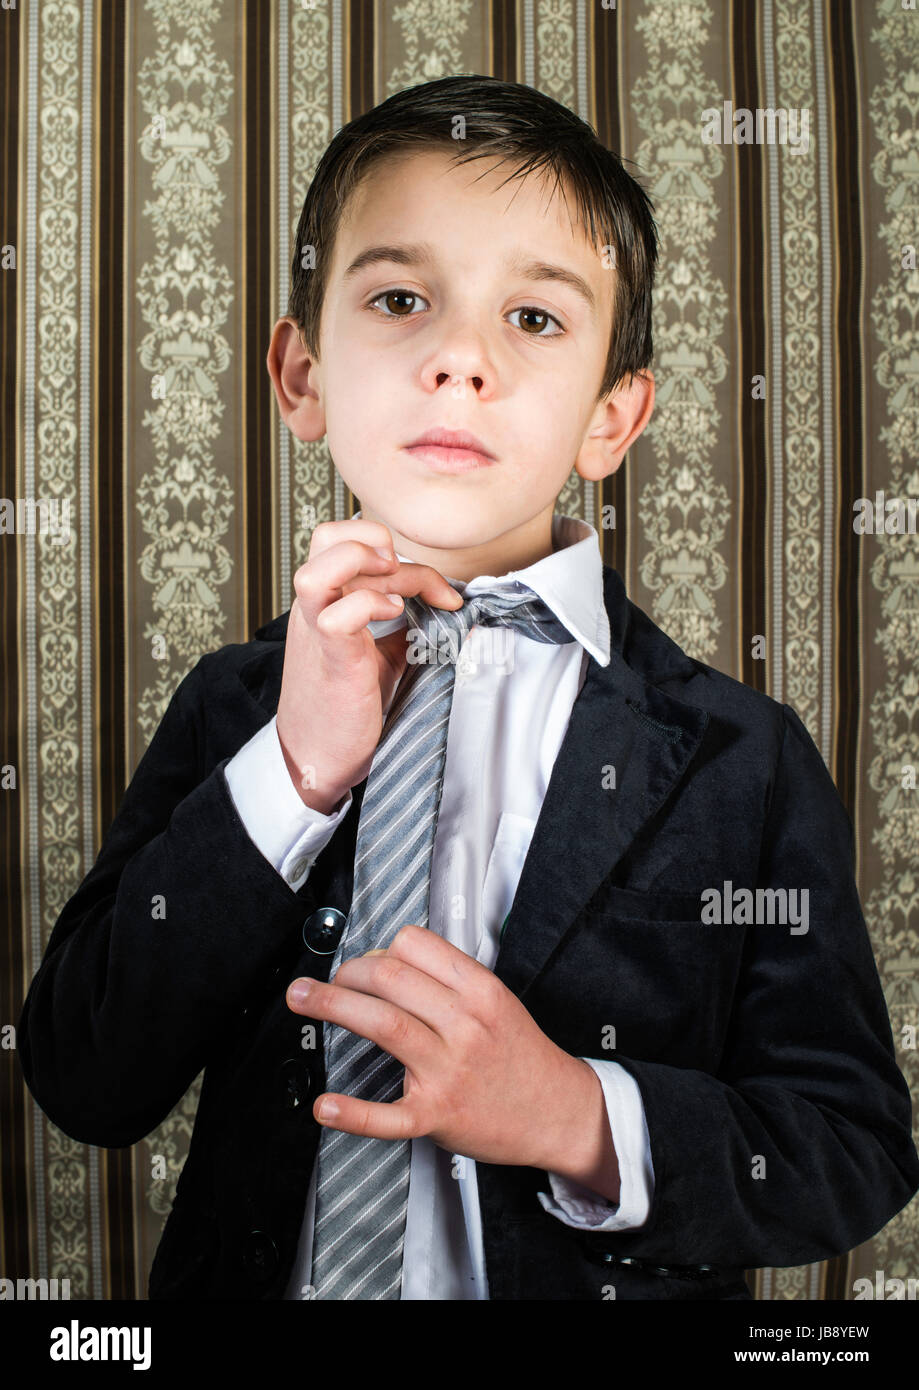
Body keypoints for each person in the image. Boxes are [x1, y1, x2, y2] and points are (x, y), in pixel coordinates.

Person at [17, 75, 919, 1302]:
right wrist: (294, 776)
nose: (458, 360)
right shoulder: (236, 707)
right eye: (399, 300)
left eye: (535, 321)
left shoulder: (739, 757)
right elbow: (85, 1075)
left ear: (611, 416)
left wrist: (573, 1114)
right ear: (302, 376)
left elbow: (850, 1145)